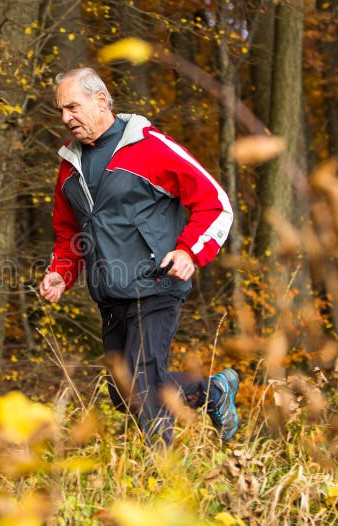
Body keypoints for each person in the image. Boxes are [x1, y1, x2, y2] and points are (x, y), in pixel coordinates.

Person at [39, 67, 239, 444]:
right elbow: (68, 233)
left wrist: (189, 251)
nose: (65, 118)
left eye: (72, 107)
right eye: (61, 110)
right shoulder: (70, 166)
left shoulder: (150, 147)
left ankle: (161, 472)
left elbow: (215, 203)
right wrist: (60, 273)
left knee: (143, 385)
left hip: (156, 282)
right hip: (110, 294)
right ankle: (213, 391)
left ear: (101, 101)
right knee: (124, 393)